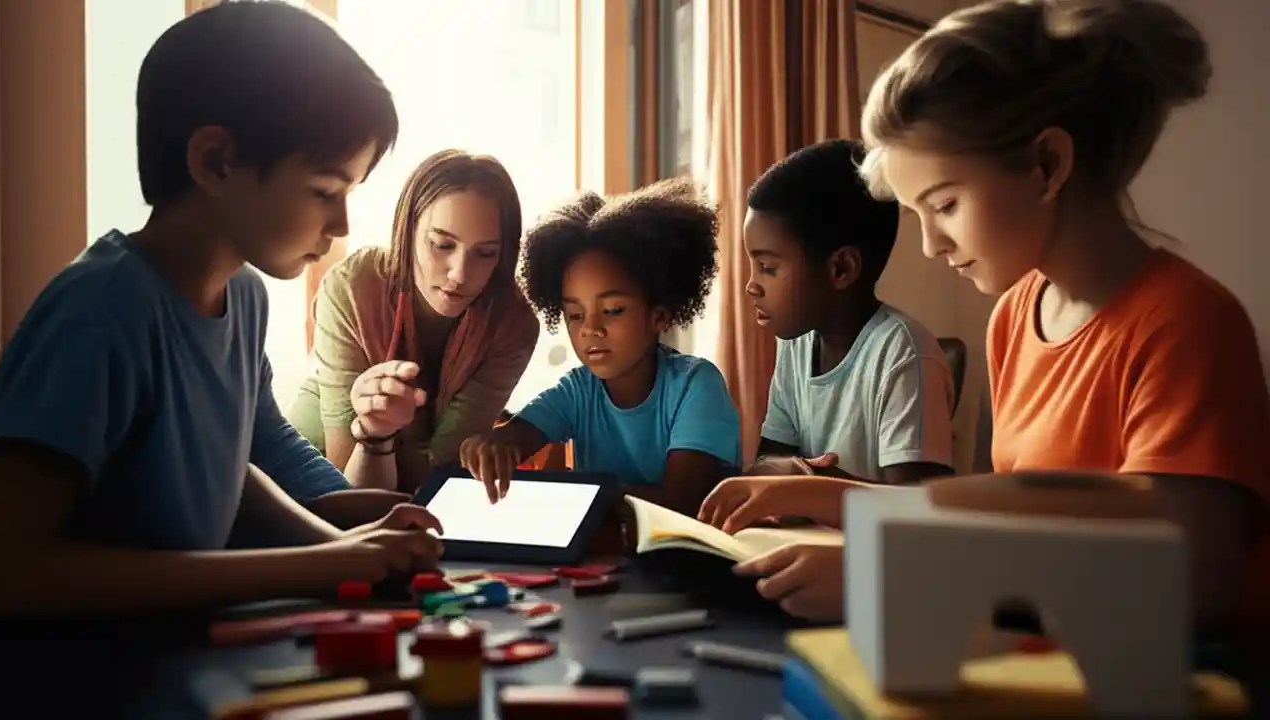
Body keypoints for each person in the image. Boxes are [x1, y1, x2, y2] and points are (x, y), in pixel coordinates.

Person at [732, 0, 1270, 639]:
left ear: (1047, 165)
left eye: (946, 205)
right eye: (918, 215)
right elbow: (1009, 517)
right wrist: (824, 496)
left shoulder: (1185, 321)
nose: (931, 245)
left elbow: (1191, 576)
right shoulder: (1016, 317)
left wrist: (894, 573)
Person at [0, 1, 444, 620]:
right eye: (324, 191)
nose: (340, 224)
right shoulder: (102, 310)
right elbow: (9, 570)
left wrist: (345, 538)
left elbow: (241, 465)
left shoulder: (244, 296)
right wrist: (322, 563)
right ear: (216, 162)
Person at [458, 178, 741, 515]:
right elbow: (516, 436)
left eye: (612, 311)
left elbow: (682, 503)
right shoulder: (578, 391)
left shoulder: (696, 385)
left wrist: (578, 497)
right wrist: (492, 446)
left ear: (658, 316)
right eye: (575, 314)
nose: (591, 329)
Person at [288, 150, 540, 497]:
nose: (460, 274)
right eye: (441, 245)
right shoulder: (352, 287)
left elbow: (445, 469)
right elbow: (345, 483)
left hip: (421, 493)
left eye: (485, 253)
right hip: (312, 465)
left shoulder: (512, 323)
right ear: (406, 232)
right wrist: (374, 432)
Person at [737, 138, 955, 484]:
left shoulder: (904, 355)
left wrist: (812, 482)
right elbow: (772, 463)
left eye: (768, 267)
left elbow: (917, 510)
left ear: (841, 269)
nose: (752, 285)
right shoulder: (796, 345)